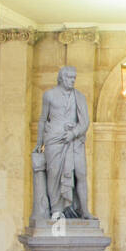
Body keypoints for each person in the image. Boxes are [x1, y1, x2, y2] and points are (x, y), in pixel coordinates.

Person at [35, 66, 92, 219]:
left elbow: (85, 121)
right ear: (61, 78)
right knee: (53, 173)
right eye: (69, 77)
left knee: (80, 173)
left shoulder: (79, 97)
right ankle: (56, 209)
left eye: (74, 78)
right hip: (54, 139)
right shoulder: (49, 95)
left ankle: (84, 210)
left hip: (74, 141)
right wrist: (39, 142)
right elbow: (42, 119)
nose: (72, 80)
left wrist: (73, 133)